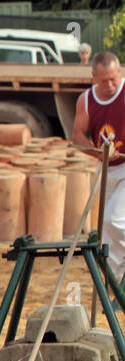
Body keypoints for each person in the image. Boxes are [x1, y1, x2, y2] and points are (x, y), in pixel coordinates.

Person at [72, 51, 125, 279]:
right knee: (105, 234)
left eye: (114, 78)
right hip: (105, 169)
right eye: (104, 80)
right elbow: (78, 137)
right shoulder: (85, 100)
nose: (110, 84)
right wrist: (99, 153)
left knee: (113, 219)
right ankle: (114, 288)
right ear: (93, 76)